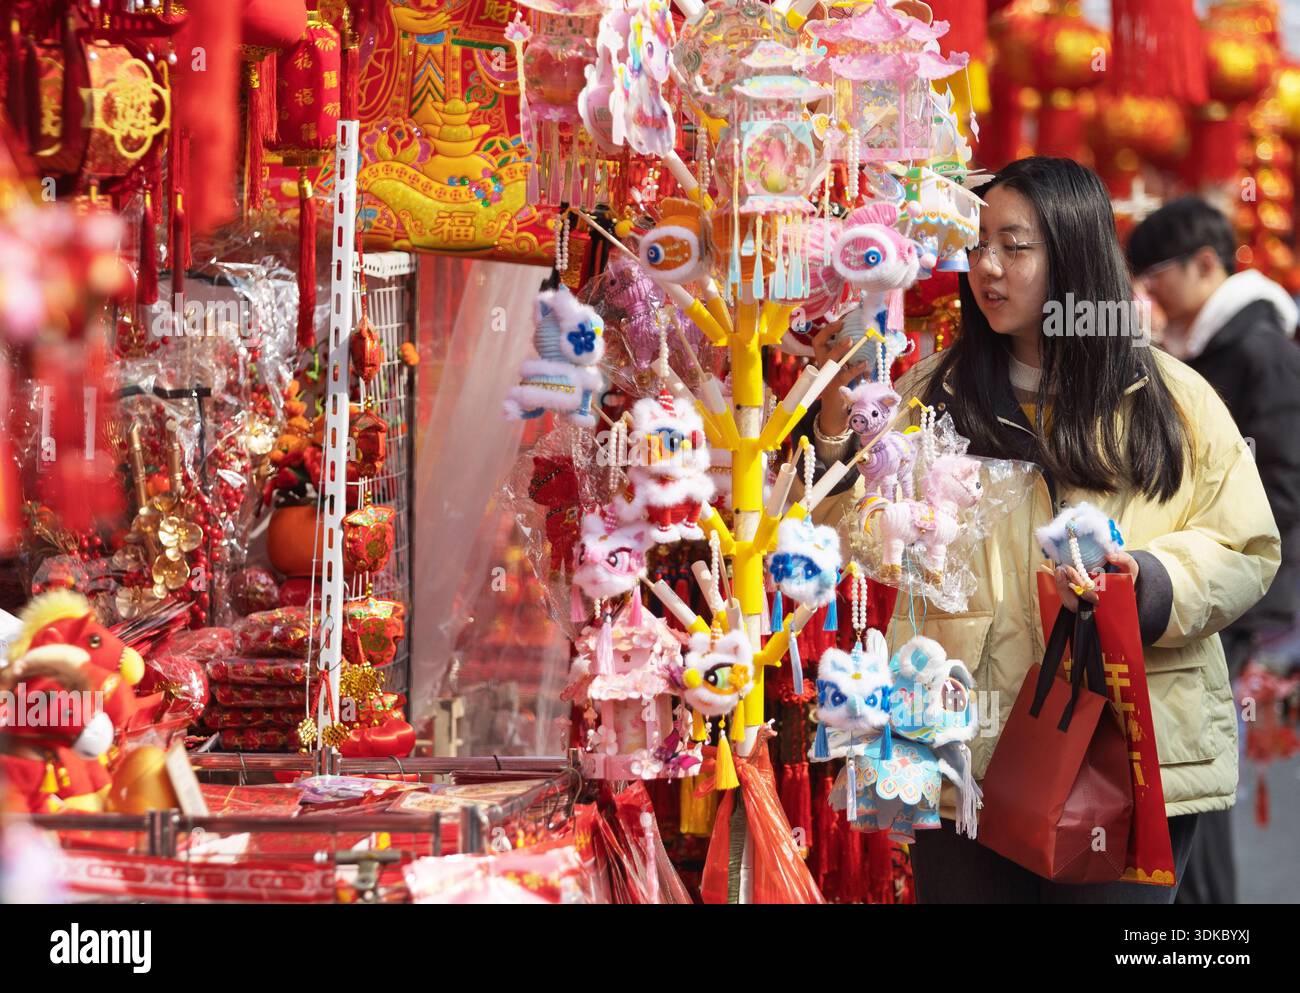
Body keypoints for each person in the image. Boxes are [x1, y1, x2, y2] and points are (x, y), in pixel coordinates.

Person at [795, 156, 1280, 903]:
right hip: (965, 765)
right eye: (977, 242)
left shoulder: (1169, 400)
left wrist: (1143, 580)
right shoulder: (935, 396)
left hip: (1125, 754)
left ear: (1074, 252)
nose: (987, 265)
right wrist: (833, 435)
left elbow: (1245, 545)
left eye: (1014, 245)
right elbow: (857, 542)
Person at [1127, 196, 1300, 904]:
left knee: (1196, 775)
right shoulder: (1207, 348)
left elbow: (1284, 491)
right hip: (1209, 585)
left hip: (1235, 594)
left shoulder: (1259, 350)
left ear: (1205, 265)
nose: (1146, 296)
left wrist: (1248, 597)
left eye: (1154, 276)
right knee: (1188, 767)